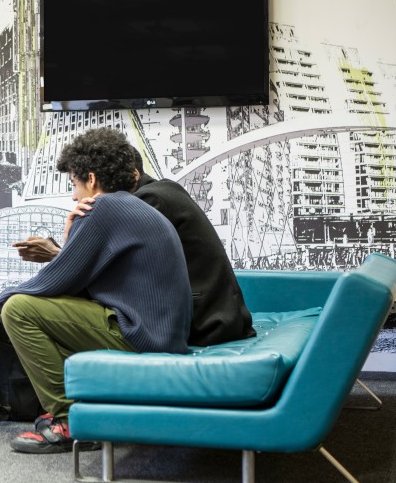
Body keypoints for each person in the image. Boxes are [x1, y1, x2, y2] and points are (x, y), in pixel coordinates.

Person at [0, 128, 192, 454]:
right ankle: (85, 409)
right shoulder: (131, 207)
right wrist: (70, 232)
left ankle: (69, 421)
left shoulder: (104, 209)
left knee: (18, 309)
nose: (74, 197)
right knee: (39, 310)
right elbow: (75, 279)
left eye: (74, 184)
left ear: (91, 178)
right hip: (159, 334)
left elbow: (54, 281)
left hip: (142, 337)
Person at [14, 145, 254, 347]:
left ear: (133, 174)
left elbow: (94, 276)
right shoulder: (163, 190)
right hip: (217, 316)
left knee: (31, 311)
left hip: (203, 323)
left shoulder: (146, 201)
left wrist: (61, 250)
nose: (74, 197)